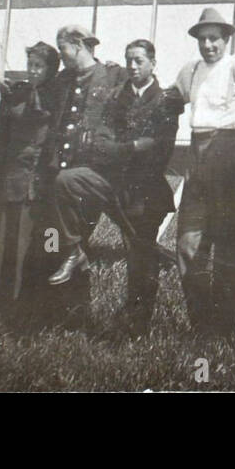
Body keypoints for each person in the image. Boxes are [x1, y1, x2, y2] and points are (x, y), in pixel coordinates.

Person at [52, 39, 181, 336]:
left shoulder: (166, 101)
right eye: (128, 60)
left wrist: (118, 149)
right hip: (110, 182)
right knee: (67, 181)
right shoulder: (114, 97)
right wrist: (132, 146)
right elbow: (99, 142)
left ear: (153, 63)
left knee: (140, 258)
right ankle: (74, 251)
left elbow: (160, 150)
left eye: (138, 60)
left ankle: (137, 323)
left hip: (144, 191)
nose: (132, 67)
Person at [171, 7, 235, 337]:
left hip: (232, 156)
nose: (208, 45)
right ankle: (202, 323)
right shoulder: (190, 71)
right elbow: (170, 100)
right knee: (187, 243)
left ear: (226, 39)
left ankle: (223, 326)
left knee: (229, 246)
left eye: (214, 38)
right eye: (203, 39)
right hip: (198, 157)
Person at [40, 25, 127, 289]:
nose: (61, 54)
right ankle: (58, 303)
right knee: (52, 238)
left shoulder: (114, 76)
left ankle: (76, 305)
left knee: (77, 236)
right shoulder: (62, 80)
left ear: (78, 45)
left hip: (93, 173)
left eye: (62, 47)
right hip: (60, 169)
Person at [0, 42, 59, 318]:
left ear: (51, 70)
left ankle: (25, 310)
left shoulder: (56, 98)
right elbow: (1, 142)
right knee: (4, 244)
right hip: (12, 179)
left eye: (39, 66)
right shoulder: (14, 97)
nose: (33, 71)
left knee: (32, 247)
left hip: (38, 183)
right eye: (30, 65)